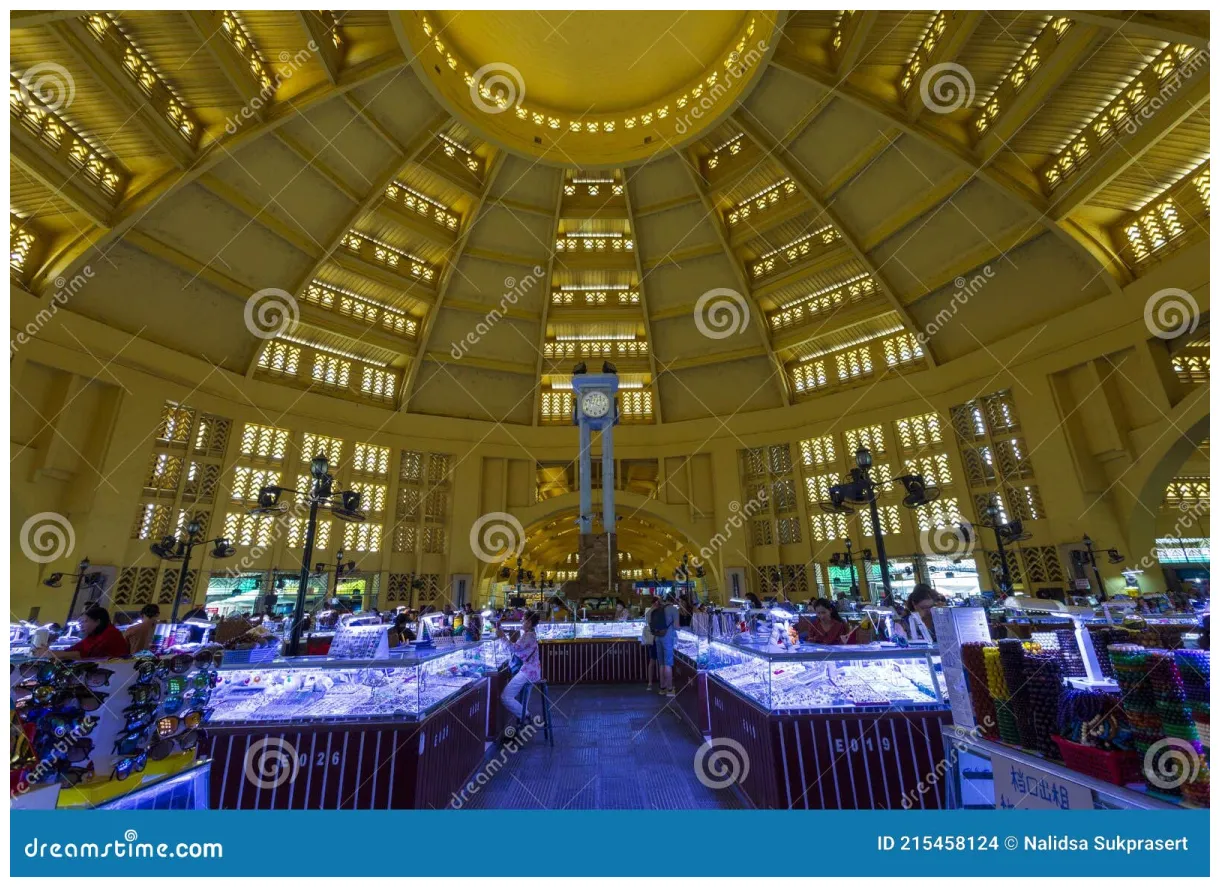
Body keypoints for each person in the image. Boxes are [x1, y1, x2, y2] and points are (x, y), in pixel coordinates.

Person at [37, 606, 130, 660]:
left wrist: (51, 653)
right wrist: (49, 649)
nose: (81, 625)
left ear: (97, 621)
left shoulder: (110, 634)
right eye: (81, 622)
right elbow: (73, 650)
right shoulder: (93, 636)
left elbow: (86, 655)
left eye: (85, 621)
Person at [497, 611, 541, 725]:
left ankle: (526, 716)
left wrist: (502, 637)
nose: (521, 621)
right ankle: (522, 721)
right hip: (533, 671)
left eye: (523, 619)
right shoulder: (530, 634)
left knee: (505, 697)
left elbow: (513, 648)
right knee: (524, 699)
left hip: (528, 671)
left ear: (529, 622)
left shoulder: (528, 636)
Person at [650, 593, 680, 696]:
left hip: (657, 637)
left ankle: (662, 688)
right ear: (673, 600)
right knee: (668, 664)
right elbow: (676, 626)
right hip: (668, 638)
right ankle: (670, 689)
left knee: (661, 663)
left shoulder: (659, 608)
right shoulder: (673, 609)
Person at [641, 597, 659, 691]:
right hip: (656, 638)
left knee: (652, 661)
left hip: (651, 639)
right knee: (658, 662)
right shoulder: (655, 612)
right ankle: (656, 682)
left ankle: (650, 682)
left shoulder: (648, 612)